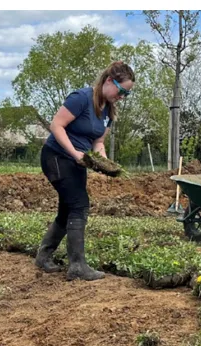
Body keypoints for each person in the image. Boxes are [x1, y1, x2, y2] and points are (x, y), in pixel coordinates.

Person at [35, 61, 135, 280]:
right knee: (79, 205)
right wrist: (75, 153)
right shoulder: (81, 98)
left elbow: (98, 142)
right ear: (109, 81)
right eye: (122, 91)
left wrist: (104, 163)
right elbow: (56, 125)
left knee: (68, 209)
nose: (122, 97)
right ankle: (77, 266)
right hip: (57, 156)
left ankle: (44, 256)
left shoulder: (108, 110)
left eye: (127, 94)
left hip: (78, 162)